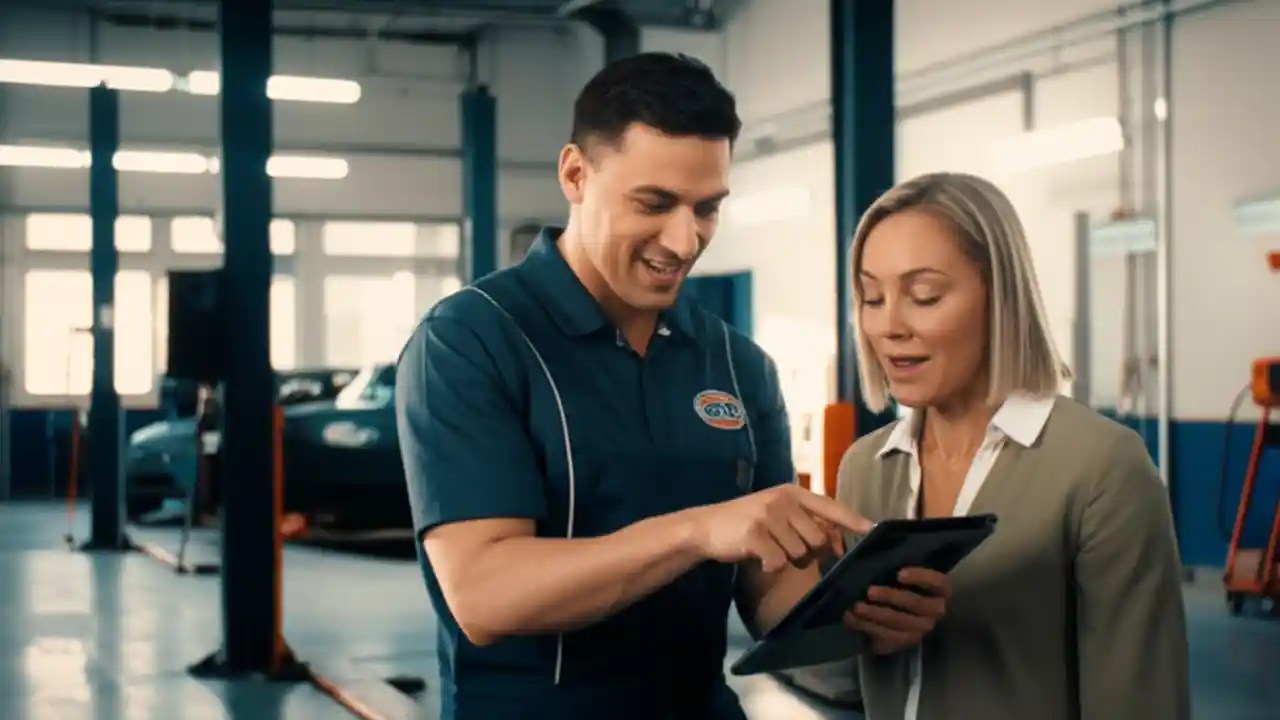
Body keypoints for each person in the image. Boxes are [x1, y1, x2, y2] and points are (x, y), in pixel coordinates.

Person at [394, 53, 949, 719]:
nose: (685, 240)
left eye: (707, 208)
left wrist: (862, 609)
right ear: (575, 174)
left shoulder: (737, 363)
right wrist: (696, 532)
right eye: (653, 203)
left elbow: (772, 596)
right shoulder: (470, 341)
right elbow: (484, 595)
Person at [834, 171, 1190, 719]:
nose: (888, 325)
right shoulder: (865, 468)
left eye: (924, 296)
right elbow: (845, 677)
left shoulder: (1100, 467)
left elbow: (1140, 702)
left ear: (999, 295)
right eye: (872, 296)